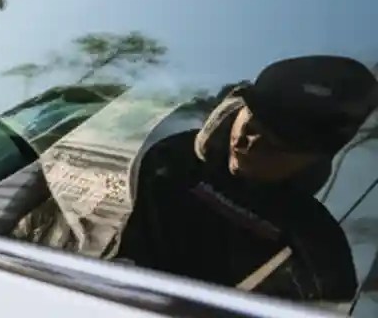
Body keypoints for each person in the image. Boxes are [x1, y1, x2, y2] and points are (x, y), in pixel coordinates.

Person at [116, 55, 378, 306]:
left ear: (315, 159)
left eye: (275, 145)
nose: (246, 144)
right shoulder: (167, 154)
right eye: (251, 125)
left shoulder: (319, 246)